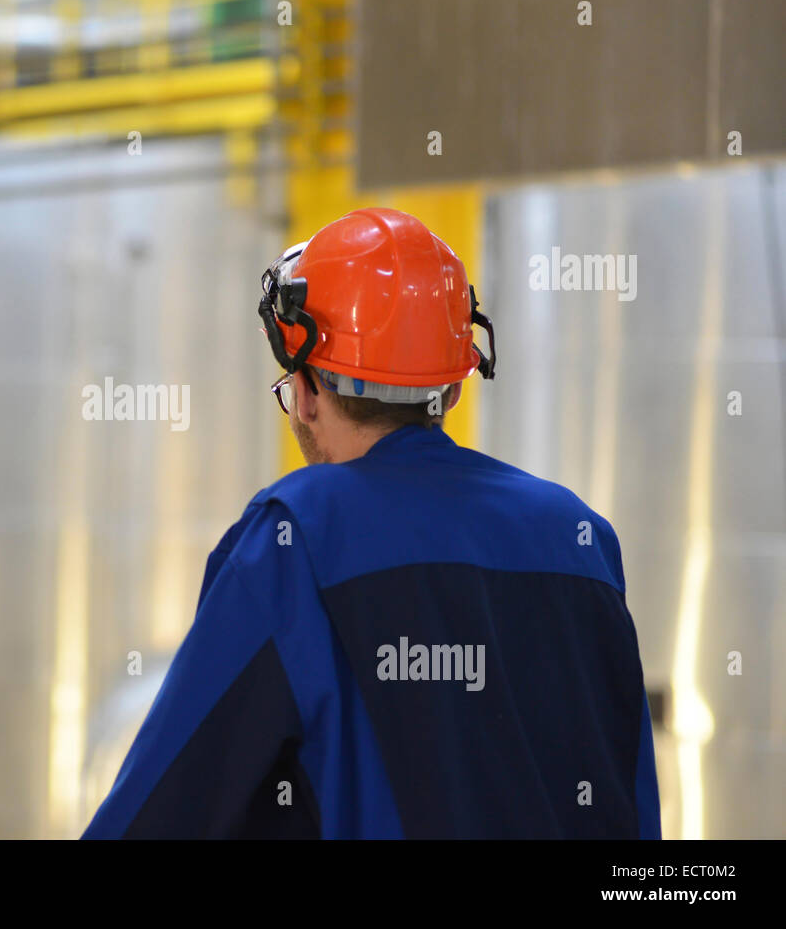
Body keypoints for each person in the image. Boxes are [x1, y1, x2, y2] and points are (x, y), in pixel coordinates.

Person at [82, 208, 660, 838]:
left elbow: (158, 814)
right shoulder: (581, 540)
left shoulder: (294, 541)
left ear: (304, 393)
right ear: (457, 384)